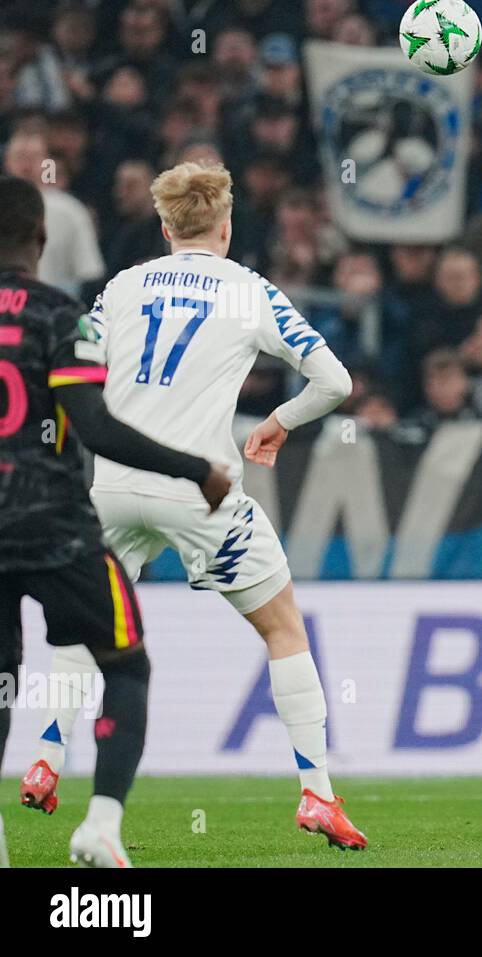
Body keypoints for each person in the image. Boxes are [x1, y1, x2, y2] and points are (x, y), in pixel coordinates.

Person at [18, 161, 367, 851]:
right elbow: (335, 380)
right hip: (199, 490)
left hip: (112, 485)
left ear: (165, 226)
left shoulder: (121, 287)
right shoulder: (248, 290)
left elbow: (68, 381)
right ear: (226, 226)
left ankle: (47, 757)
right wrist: (280, 421)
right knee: (283, 629)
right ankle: (317, 793)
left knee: (84, 627)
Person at [0, 175, 231, 867]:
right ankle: (99, 824)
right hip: (58, 528)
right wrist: (196, 468)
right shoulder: (60, 315)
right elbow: (95, 425)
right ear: (43, 238)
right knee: (126, 665)